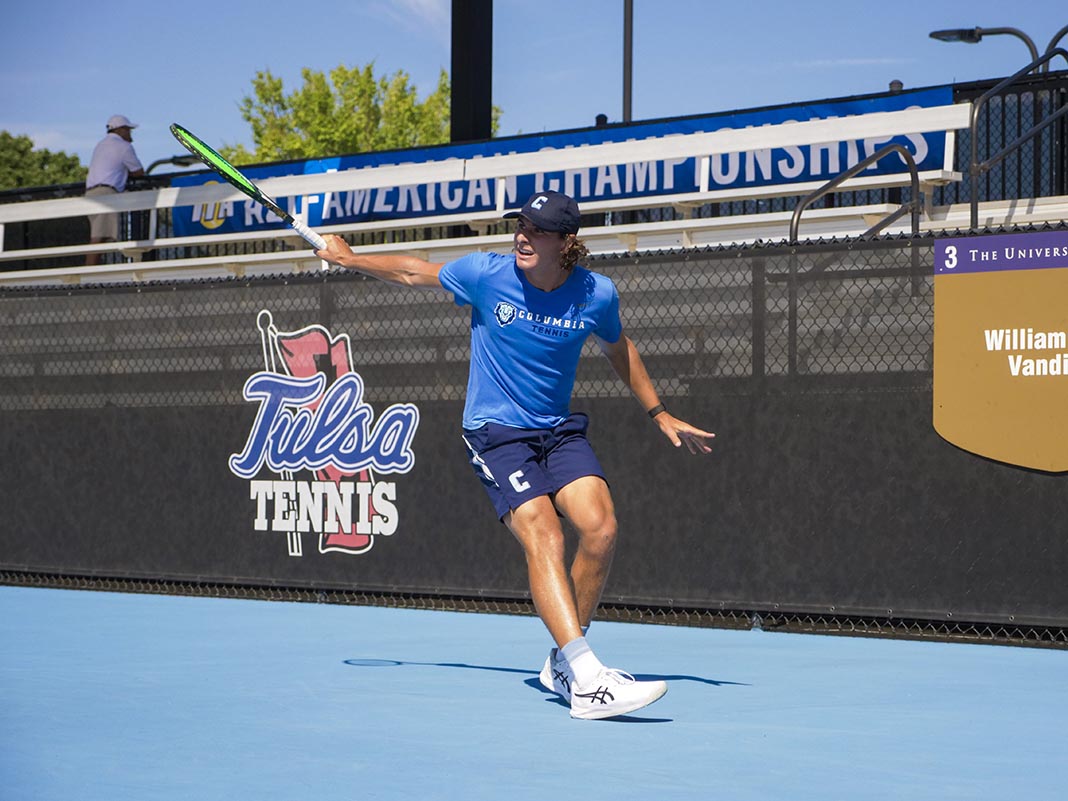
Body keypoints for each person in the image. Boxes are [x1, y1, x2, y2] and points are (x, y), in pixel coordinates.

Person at [315, 190, 715, 720]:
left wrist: (658, 412)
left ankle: (566, 660)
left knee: (600, 530)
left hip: (557, 431)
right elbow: (415, 271)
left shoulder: (596, 294)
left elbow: (619, 347)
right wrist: (350, 258)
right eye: (520, 225)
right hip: (496, 433)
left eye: (538, 230)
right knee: (544, 533)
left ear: (566, 242)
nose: (522, 236)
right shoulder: (486, 274)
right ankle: (590, 677)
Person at [85, 114, 145, 265]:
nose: (130, 134)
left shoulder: (100, 145)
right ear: (121, 130)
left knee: (100, 234)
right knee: (99, 236)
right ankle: (88, 274)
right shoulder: (124, 147)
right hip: (106, 193)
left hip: (90, 193)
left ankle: (92, 272)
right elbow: (138, 171)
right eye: (128, 130)